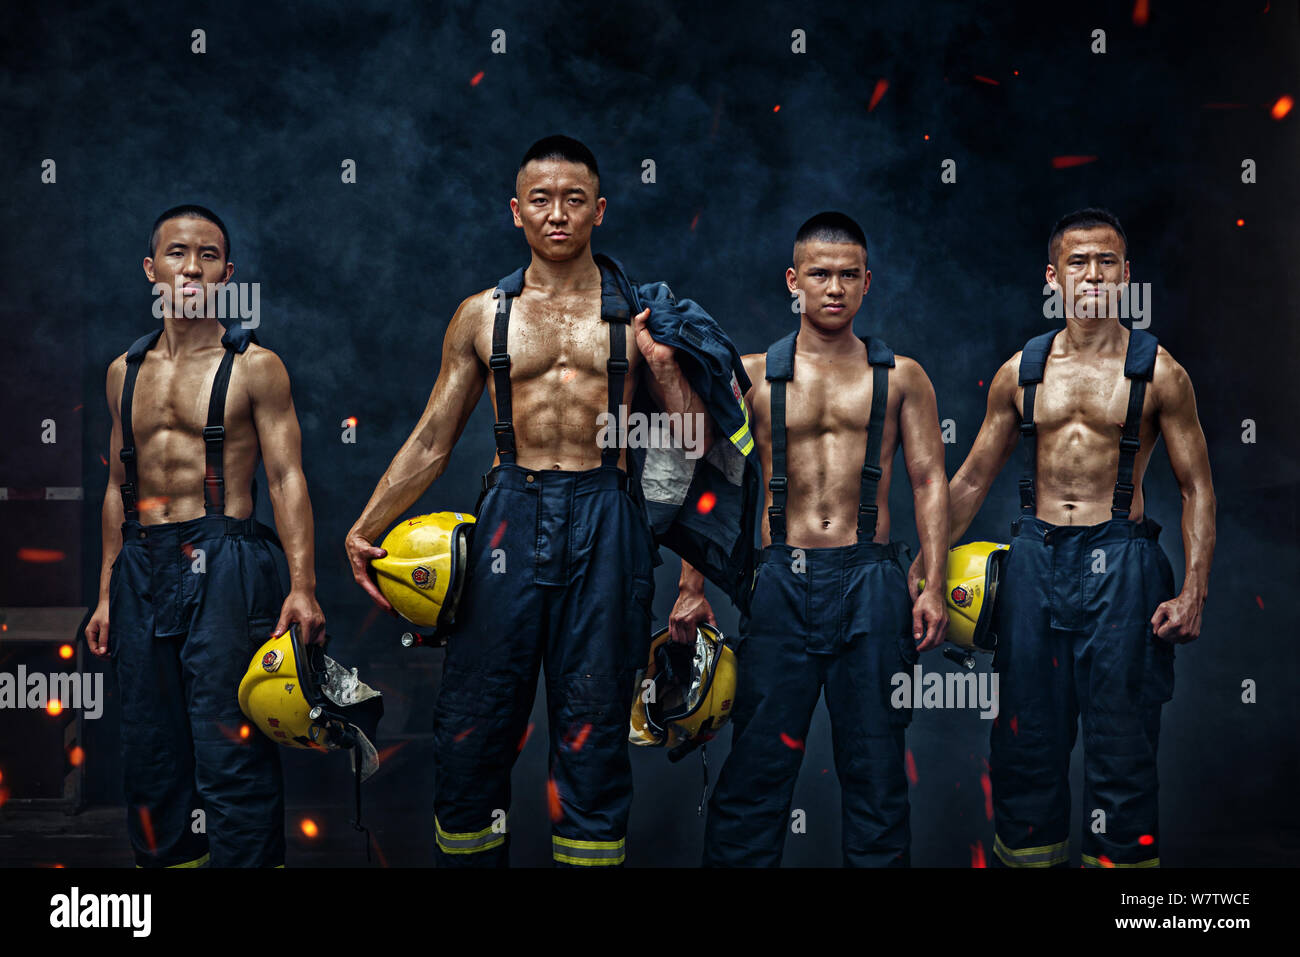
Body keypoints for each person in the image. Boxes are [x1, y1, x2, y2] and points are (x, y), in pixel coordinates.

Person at [344, 135, 750, 867]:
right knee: (473, 730)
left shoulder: (639, 319)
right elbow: (435, 437)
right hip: (510, 513)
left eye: (572, 200)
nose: (556, 214)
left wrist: (661, 364)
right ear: (516, 211)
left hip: (608, 516)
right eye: (541, 199)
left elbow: (697, 443)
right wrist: (365, 525)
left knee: (592, 736)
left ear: (599, 209)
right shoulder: (482, 315)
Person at [912, 207, 1215, 867]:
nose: (1093, 273)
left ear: (1127, 274)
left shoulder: (1160, 372)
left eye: (1107, 260)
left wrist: (1194, 589)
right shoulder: (1020, 371)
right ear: (1053, 277)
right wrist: (927, 571)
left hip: (1125, 566)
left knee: (1123, 753)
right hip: (1035, 565)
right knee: (1024, 751)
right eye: (1078, 261)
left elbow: (1197, 488)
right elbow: (968, 483)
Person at [675, 211, 950, 867]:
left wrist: (933, 583)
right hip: (777, 584)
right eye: (820, 274)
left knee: (878, 772)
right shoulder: (749, 377)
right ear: (793, 281)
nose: (834, 287)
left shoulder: (903, 375)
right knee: (755, 777)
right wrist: (691, 588)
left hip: (872, 584)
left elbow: (930, 479)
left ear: (867, 282)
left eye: (848, 275)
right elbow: (710, 487)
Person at [86, 204, 325, 868]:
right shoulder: (121, 372)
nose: (192, 267)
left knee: (232, 750)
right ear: (150, 268)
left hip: (225, 559)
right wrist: (107, 593)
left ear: (228, 272)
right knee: (150, 752)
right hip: (141, 565)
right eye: (177, 253)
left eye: (209, 255)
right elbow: (117, 489)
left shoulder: (256, 367)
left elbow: (287, 477)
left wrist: (302, 587)